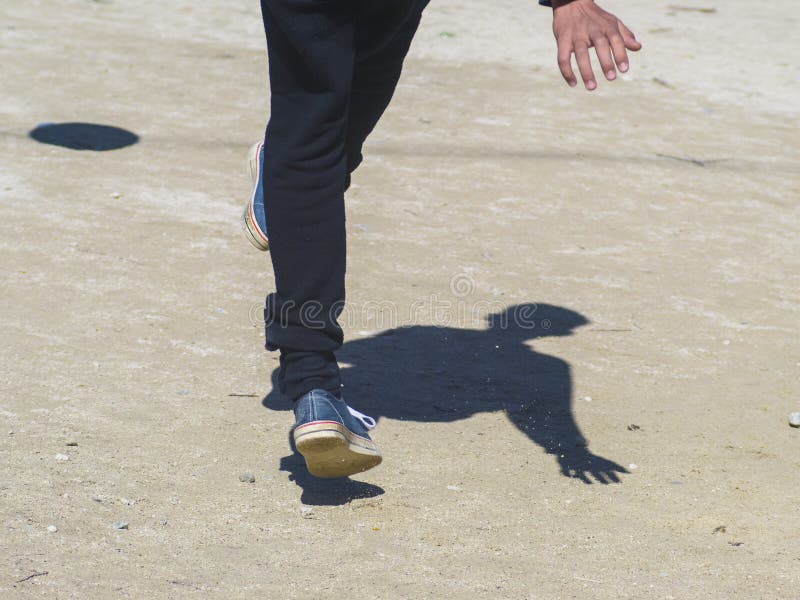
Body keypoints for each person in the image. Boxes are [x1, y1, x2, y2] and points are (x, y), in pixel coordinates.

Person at [241, 0, 641, 478]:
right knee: (312, 134)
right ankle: (314, 390)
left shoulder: (542, 366)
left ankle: (283, 175)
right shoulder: (541, 365)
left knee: (331, 136)